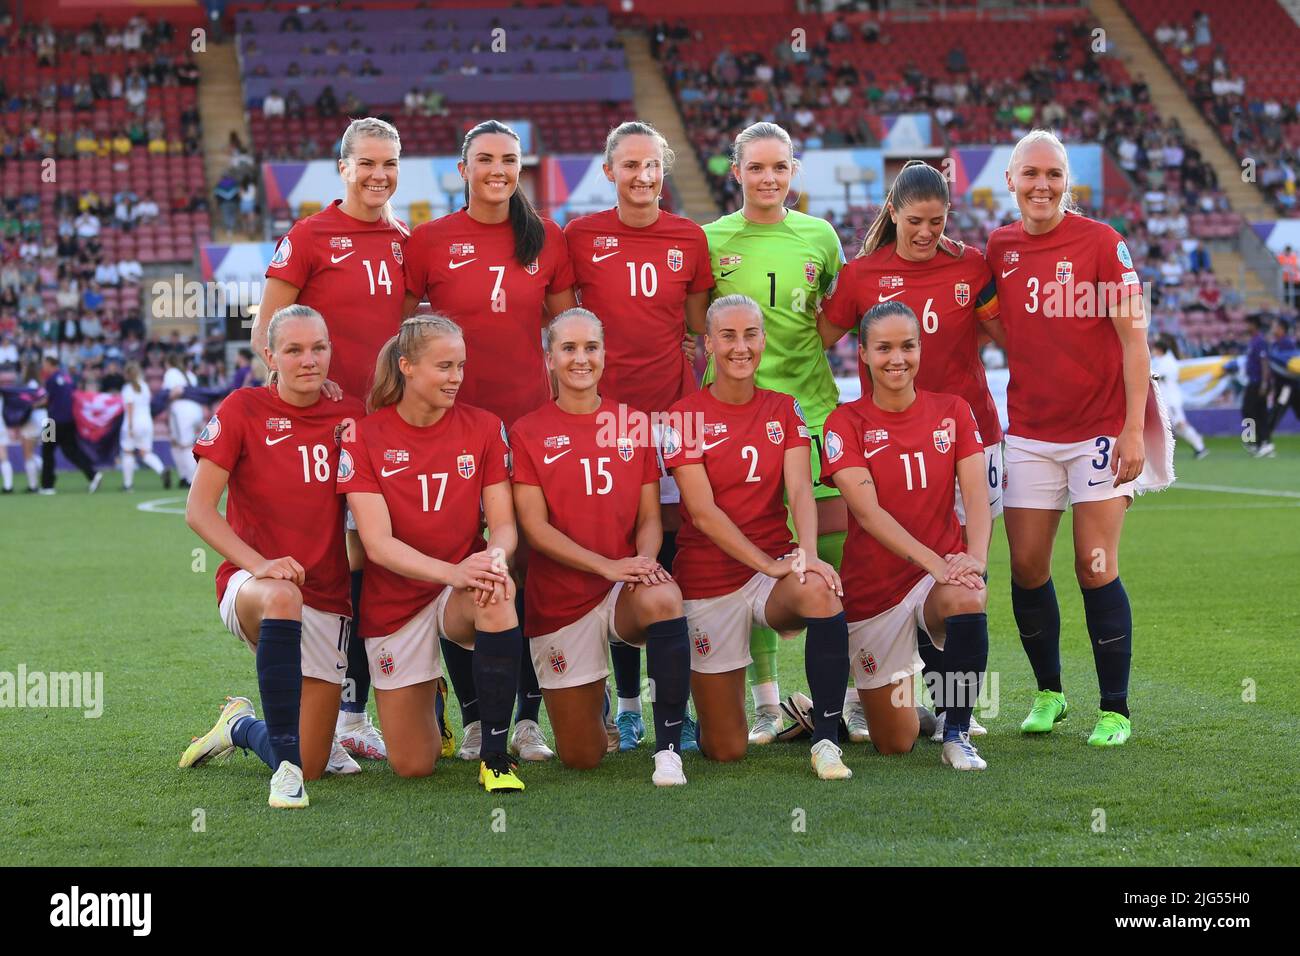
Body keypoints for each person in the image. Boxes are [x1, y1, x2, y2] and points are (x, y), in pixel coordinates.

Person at [402, 119, 577, 762]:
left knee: (522, 569)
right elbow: (402, 341)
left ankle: (525, 718)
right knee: (463, 566)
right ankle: (476, 717)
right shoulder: (429, 240)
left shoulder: (546, 238)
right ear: (463, 169)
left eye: (509, 160)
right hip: (452, 434)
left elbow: (567, 335)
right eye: (485, 160)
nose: (498, 170)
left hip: (528, 431)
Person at [817, 160, 1001, 742]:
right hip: (887, 443)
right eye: (915, 220)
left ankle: (955, 714)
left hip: (967, 436)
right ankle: (873, 688)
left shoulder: (972, 266)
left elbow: (1011, 335)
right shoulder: (861, 273)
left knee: (966, 577)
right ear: (892, 211)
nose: (926, 232)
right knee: (892, 553)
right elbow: (815, 341)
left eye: (937, 221)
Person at [986, 129, 1150, 747]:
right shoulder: (998, 249)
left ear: (1067, 181)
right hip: (1028, 432)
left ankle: (1115, 708)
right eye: (1030, 174)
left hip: (1101, 432)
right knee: (1026, 566)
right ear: (1010, 181)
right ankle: (1049, 693)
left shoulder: (1103, 243)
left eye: (1053, 174)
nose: (1042, 185)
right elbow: (986, 317)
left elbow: (1136, 340)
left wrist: (1132, 429)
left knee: (1094, 563)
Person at [255, 116, 410, 762]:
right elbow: (269, 332)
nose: (378, 175)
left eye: (389, 164)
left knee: (373, 566)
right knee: (326, 569)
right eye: (366, 163)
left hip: (383, 432)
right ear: (342, 167)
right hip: (322, 433)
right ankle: (318, 711)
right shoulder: (309, 235)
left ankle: (355, 712)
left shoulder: (408, 242)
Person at [562, 120, 712, 752]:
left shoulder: (689, 237)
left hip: (678, 415)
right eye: (630, 165)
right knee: (622, 553)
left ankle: (681, 703)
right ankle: (625, 706)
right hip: (609, 420)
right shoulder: (581, 235)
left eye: (652, 165)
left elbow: (699, 331)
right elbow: (568, 323)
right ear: (609, 171)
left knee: (681, 553)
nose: (643, 176)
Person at [180, 305, 366, 808]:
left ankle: (239, 726)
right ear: (271, 356)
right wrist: (257, 563)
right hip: (254, 588)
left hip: (328, 596)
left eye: (319, 348)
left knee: (315, 757)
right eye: (294, 350)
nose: (309, 360)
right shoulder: (243, 408)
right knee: (283, 595)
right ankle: (285, 776)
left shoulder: (348, 416)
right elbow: (198, 511)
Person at [663, 295, 852, 780]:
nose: (740, 346)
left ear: (763, 341)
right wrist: (768, 564)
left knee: (820, 589)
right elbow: (703, 514)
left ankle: (827, 738)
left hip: (773, 573)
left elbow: (799, 491)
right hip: (709, 580)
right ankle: (769, 713)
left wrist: (805, 555)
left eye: (750, 335)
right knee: (725, 750)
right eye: (727, 335)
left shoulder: (784, 408)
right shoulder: (684, 416)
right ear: (708, 343)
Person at [702, 122, 846, 745]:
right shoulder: (711, 241)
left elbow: (837, 319)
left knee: (835, 558)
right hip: (739, 424)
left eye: (780, 168)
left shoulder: (819, 236)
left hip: (813, 414)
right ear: (737, 172)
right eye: (757, 167)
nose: (769, 178)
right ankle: (766, 705)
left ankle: (843, 700)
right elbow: (698, 327)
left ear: (793, 173)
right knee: (750, 556)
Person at [340, 314, 525, 792]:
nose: (456, 377)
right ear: (406, 366)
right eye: (444, 366)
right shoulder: (363, 436)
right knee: (414, 764)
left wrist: (494, 559)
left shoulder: (484, 427)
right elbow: (377, 545)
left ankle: (495, 756)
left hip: (457, 590)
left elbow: (503, 525)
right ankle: (432, 691)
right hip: (396, 603)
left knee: (498, 591)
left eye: (460, 365)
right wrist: (455, 571)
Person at [511, 308, 692, 785]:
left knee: (664, 596)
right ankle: (598, 698)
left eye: (591, 347)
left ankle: (669, 748)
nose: (581, 358)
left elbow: (651, 517)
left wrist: (646, 560)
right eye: (568, 348)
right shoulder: (527, 430)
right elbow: (535, 528)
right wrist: (605, 565)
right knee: (583, 757)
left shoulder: (632, 423)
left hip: (621, 589)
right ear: (549, 358)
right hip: (561, 599)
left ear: (605, 354)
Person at [822, 301, 992, 770]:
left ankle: (956, 730)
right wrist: (937, 562)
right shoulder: (845, 422)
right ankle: (897, 696)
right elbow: (870, 515)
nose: (897, 358)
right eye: (884, 348)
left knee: (965, 596)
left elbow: (977, 495)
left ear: (921, 349)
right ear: (863, 353)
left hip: (937, 578)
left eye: (908, 346)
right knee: (895, 741)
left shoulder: (954, 411)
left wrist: (973, 557)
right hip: (875, 590)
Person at [38, 355, 102, 495]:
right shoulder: (68, 378)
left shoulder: (51, 380)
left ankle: (47, 486)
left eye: (44, 364)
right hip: (69, 420)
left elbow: (47, 400)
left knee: (47, 453)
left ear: (50, 364)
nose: (43, 367)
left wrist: (33, 405)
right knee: (71, 451)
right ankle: (92, 474)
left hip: (52, 421)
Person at [1150, 335, 1207, 459]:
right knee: (1164, 425)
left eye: (1154, 349)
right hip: (1164, 399)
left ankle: (1200, 446)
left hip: (1171, 400)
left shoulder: (1168, 362)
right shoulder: (1159, 360)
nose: (1152, 351)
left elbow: (1157, 376)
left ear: (1160, 349)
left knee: (1179, 424)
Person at [118, 361, 170, 490]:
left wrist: (129, 427)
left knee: (128, 452)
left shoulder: (128, 389)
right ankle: (161, 469)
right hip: (147, 423)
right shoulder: (145, 387)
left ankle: (128, 484)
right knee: (145, 452)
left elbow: (130, 407)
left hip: (133, 423)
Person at [163, 352, 203, 488]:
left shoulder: (171, 373)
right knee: (176, 443)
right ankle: (184, 476)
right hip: (195, 409)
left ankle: (193, 480)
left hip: (181, 411)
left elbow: (174, 392)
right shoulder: (190, 374)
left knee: (185, 445)